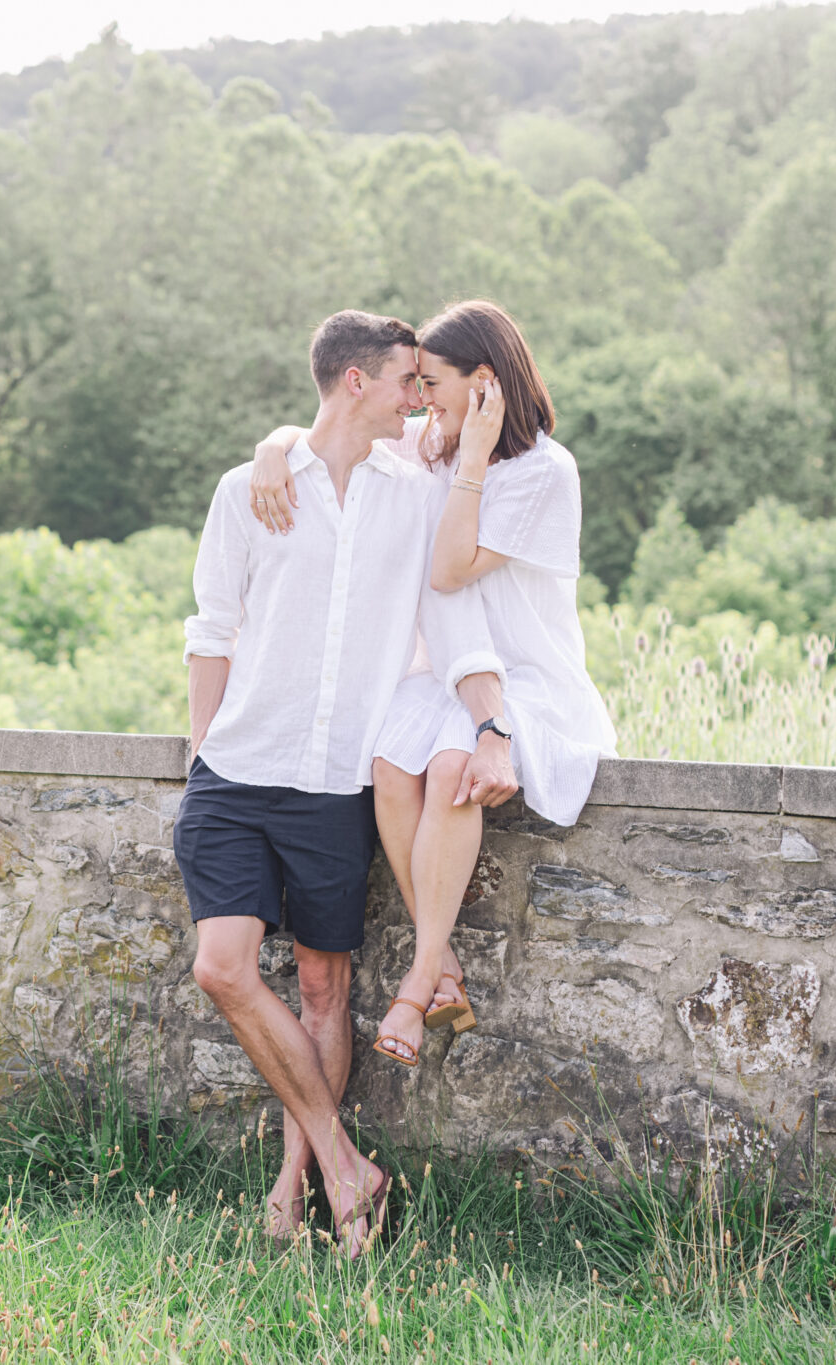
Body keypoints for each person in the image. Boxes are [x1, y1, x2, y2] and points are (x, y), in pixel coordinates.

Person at [176, 309, 518, 1260]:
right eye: (408, 379)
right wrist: (201, 752)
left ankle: (302, 1186)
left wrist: (490, 723)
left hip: (335, 783)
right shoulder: (250, 488)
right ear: (357, 381)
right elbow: (212, 629)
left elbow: (453, 612)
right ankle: (344, 1160)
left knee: (326, 988)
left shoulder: (414, 495)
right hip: (236, 773)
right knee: (223, 966)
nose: (420, 395)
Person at [243, 299, 617, 1066]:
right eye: (414, 384)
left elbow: (448, 570)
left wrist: (471, 459)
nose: (419, 400)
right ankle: (441, 963)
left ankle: (418, 985)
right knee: (390, 761)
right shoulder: (434, 441)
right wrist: (272, 445)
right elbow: (337, 428)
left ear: (484, 383)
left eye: (432, 383)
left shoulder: (545, 471)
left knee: (452, 766)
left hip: (525, 677)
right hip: (447, 668)